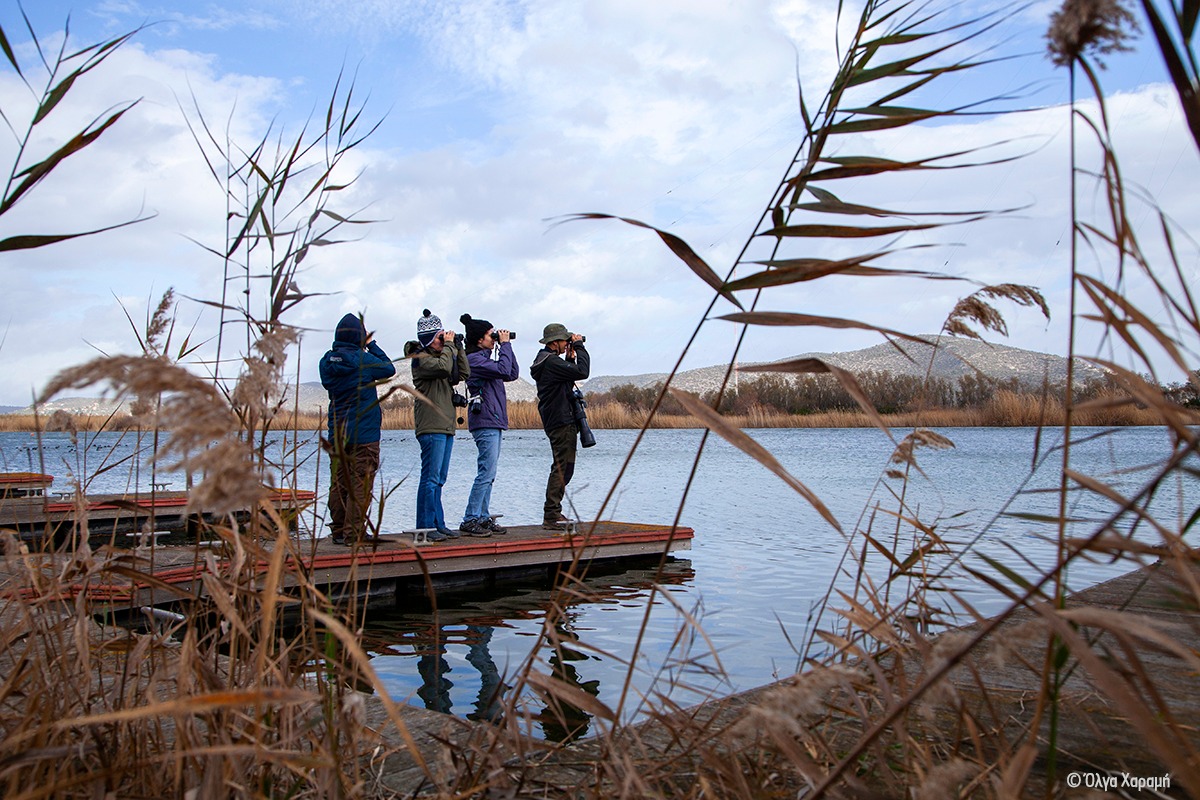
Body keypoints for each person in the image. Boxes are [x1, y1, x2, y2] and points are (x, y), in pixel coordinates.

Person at [319, 313, 396, 545]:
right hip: (364, 435)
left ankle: (339, 531)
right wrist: (371, 345)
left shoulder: (326, 362)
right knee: (360, 485)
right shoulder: (363, 360)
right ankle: (354, 534)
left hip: (338, 434)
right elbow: (388, 369)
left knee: (340, 483)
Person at [404, 309, 469, 542]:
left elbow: (463, 372)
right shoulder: (421, 359)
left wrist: (458, 347)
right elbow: (442, 367)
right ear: (430, 338)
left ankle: (438, 524)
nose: (445, 340)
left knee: (439, 479)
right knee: (430, 479)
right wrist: (450, 346)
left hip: (445, 425)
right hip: (431, 426)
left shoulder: (442, 355)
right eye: (440, 337)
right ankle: (424, 526)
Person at [458, 313, 519, 536]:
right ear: (478, 339)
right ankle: (470, 518)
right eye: (489, 335)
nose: (493, 337)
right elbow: (504, 370)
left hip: (493, 420)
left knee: (490, 473)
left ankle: (482, 517)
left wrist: (507, 346)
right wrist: (503, 346)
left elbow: (511, 373)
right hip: (485, 421)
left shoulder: (485, 360)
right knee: (485, 472)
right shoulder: (474, 361)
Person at [530, 323, 589, 530]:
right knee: (563, 466)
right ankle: (552, 514)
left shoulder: (546, 361)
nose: (567, 344)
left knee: (565, 466)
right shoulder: (550, 362)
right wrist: (580, 347)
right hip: (561, 420)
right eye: (565, 341)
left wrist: (569, 358)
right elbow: (583, 372)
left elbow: (567, 376)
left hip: (556, 418)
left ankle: (553, 512)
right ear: (554, 342)